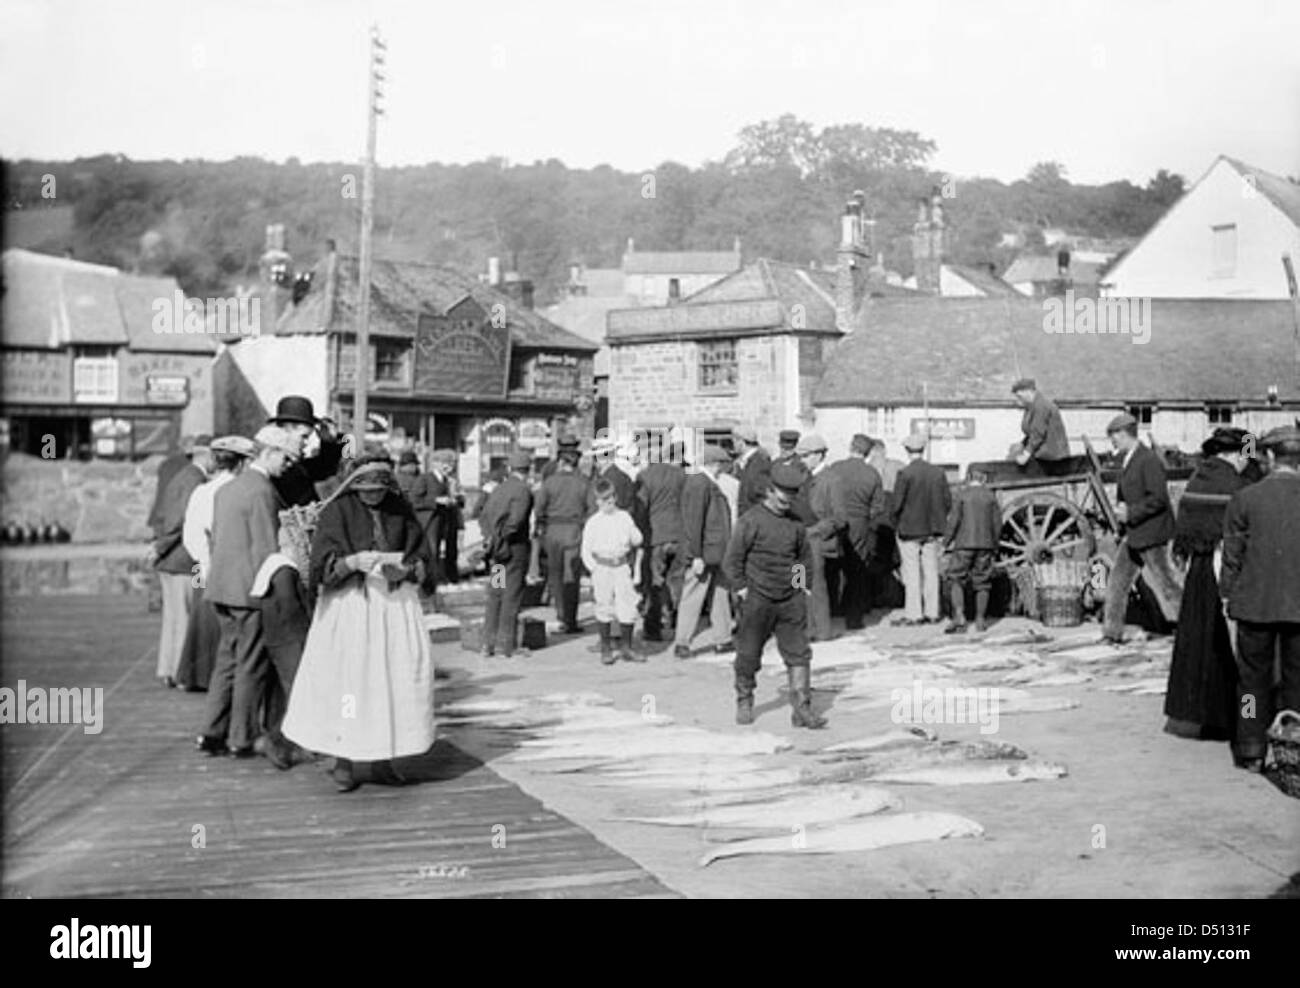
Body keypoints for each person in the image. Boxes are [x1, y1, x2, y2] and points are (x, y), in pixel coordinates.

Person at [279, 456, 436, 791]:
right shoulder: (337, 513)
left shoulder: (401, 510)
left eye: (379, 491)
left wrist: (407, 570)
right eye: (366, 491)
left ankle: (384, 758)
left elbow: (423, 555)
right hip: (350, 608)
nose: (373, 497)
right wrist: (350, 562)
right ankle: (344, 760)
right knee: (349, 685)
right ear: (354, 487)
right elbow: (322, 567)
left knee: (390, 683)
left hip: (393, 608)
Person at [198, 426, 302, 757]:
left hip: (221, 588)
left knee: (226, 661)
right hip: (248, 592)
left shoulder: (226, 489)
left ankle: (211, 732)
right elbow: (267, 550)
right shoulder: (262, 492)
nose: (288, 465)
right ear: (269, 452)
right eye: (286, 458)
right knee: (251, 665)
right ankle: (240, 738)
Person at [1219, 425, 1300, 773]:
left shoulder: (1245, 498)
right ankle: (1293, 743)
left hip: (1253, 605)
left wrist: (1227, 594)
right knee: (1298, 678)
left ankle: (1251, 745)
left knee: (1252, 681)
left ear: (1268, 456)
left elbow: (1231, 556)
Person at [1164, 427, 1252, 741]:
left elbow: (1185, 526)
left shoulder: (1198, 478)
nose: (1247, 462)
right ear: (1232, 454)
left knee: (1197, 644)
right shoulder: (1235, 483)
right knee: (1231, 649)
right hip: (1223, 569)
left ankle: (1200, 716)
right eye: (1245, 455)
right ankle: (1240, 717)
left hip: (1197, 569)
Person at [724, 462, 824, 729]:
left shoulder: (795, 524)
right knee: (748, 654)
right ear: (769, 491)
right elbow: (733, 560)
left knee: (799, 654)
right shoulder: (750, 521)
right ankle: (744, 699)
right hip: (757, 598)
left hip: (790, 600)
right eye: (783, 496)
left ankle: (802, 709)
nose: (787, 502)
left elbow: (803, 558)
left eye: (792, 497)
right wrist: (743, 589)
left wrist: (801, 588)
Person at [177, 435, 254, 691]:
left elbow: (191, 534)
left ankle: (198, 675)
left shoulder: (202, 491)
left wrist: (204, 560)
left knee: (202, 616)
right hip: (230, 564)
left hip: (203, 562)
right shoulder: (243, 491)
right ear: (242, 463)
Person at [1101, 413, 1181, 644]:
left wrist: (1130, 513)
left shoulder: (1148, 460)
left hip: (1151, 535)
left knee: (1168, 586)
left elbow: (1158, 499)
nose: (1112, 442)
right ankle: (1111, 634)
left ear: (1124, 434)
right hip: (1134, 535)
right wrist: (1122, 526)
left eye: (1114, 436)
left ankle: (1191, 631)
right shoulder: (1130, 459)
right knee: (1116, 584)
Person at [151, 434, 212, 687]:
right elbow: (180, 521)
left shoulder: (182, 476)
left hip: (171, 562)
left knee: (174, 617)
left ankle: (168, 668)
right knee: (186, 617)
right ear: (206, 455)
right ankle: (179, 671)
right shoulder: (195, 481)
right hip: (184, 561)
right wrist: (160, 547)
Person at [674, 445, 734, 658]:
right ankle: (682, 642)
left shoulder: (705, 482)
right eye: (724, 463)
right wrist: (696, 555)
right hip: (705, 551)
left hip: (715, 551)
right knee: (693, 594)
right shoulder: (700, 483)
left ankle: (723, 638)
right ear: (715, 464)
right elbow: (694, 522)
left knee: (720, 593)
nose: (726, 467)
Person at [582, 477, 646, 664]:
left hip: (621, 565)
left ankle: (626, 646)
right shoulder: (594, 522)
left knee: (627, 605)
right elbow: (586, 549)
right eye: (605, 501)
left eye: (611, 500)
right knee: (604, 605)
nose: (609, 504)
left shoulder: (624, 517)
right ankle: (606, 647)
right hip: (603, 566)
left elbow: (637, 539)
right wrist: (594, 569)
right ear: (598, 501)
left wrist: (634, 537)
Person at [891, 433, 952, 626]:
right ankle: (933, 612)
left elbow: (896, 505)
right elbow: (947, 502)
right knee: (932, 571)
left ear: (907, 450)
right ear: (923, 449)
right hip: (933, 530)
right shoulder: (938, 473)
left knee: (912, 572)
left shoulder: (905, 474)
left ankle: (914, 614)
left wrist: (896, 521)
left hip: (909, 530)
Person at [791, 433, 847, 642]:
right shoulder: (805, 477)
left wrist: (815, 531)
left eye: (806, 456)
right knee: (799, 584)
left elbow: (840, 518)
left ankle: (822, 630)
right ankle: (805, 628)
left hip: (816, 540)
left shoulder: (832, 479)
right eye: (801, 456)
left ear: (819, 455)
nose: (802, 460)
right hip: (799, 538)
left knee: (816, 586)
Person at [479, 451, 534, 658]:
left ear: (510, 469)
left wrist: (491, 538)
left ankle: (488, 643)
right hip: (514, 549)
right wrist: (504, 537)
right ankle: (506, 645)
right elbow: (517, 521)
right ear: (528, 470)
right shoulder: (523, 491)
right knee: (511, 595)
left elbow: (483, 516)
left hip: (497, 552)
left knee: (496, 593)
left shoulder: (498, 489)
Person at [830, 434, 886, 630]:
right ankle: (854, 616)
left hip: (834, 521)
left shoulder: (835, 468)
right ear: (868, 453)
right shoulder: (872, 474)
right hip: (860, 523)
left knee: (831, 565)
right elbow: (879, 506)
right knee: (857, 570)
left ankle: (831, 609)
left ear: (850, 447)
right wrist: (864, 515)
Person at [636, 440, 687, 642]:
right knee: (677, 581)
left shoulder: (645, 477)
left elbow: (641, 509)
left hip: (655, 536)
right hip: (678, 533)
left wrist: (639, 536)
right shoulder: (681, 475)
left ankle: (653, 627)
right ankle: (677, 622)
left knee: (654, 583)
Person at [535, 445, 589, 633]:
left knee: (555, 575)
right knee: (572, 576)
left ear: (560, 461)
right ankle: (571, 619)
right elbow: (591, 509)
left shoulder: (549, 483)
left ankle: (560, 613)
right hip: (574, 529)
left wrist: (543, 524)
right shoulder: (584, 482)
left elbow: (539, 509)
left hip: (552, 530)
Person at [942, 467, 1001, 633]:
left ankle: (959, 616)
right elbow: (997, 524)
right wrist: (994, 544)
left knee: (955, 578)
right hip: (985, 545)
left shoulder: (962, 495)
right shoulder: (991, 497)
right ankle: (980, 619)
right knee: (982, 582)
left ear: (968, 477)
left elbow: (954, 521)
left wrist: (946, 542)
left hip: (963, 544)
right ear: (984, 479)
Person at [268, 396, 347, 508]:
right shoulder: (275, 469)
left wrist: (329, 443)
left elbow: (323, 468)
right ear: (284, 431)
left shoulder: (295, 467)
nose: (305, 443)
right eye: (303, 437)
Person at [866, 438, 906, 610]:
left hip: (875, 520)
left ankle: (878, 597)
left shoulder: (868, 470)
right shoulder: (899, 466)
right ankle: (901, 598)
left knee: (876, 561)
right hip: (896, 519)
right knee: (899, 561)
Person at [1011, 378, 1072, 476]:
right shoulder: (1030, 407)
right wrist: (1022, 444)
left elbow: (1037, 434)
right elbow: (1031, 431)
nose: (1017, 400)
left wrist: (1025, 455)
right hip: (1043, 457)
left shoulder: (1041, 406)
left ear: (1029, 392)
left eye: (1019, 396)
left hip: (1053, 460)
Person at [425, 450, 465, 583]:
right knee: (433, 548)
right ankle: (435, 576)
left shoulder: (453, 481)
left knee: (452, 549)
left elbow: (462, 501)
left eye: (452, 464)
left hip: (452, 518)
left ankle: (451, 575)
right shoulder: (430, 479)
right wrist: (438, 500)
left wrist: (458, 498)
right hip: (436, 519)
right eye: (447, 463)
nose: (450, 467)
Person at [732, 425, 773, 516]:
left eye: (734, 441)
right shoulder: (747, 462)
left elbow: (760, 494)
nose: (733, 445)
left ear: (741, 442)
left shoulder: (760, 462)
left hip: (754, 518)